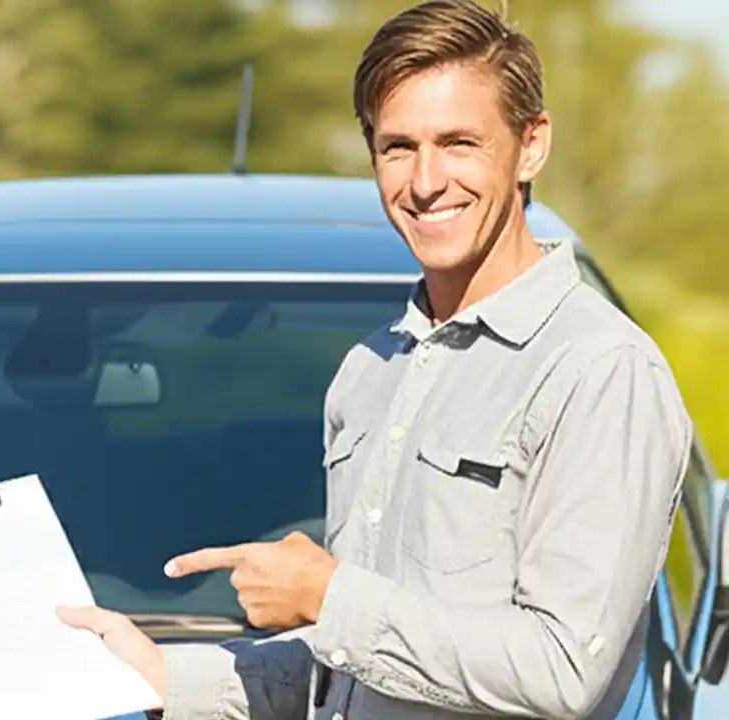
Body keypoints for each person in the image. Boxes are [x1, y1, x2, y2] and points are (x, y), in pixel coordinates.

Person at [57, 1, 694, 718]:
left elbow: (562, 670)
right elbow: (359, 668)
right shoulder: (372, 369)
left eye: (459, 143)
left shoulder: (599, 370)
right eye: (398, 147)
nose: (425, 183)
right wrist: (168, 678)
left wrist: (329, 598)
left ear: (532, 145)